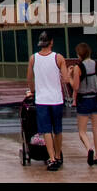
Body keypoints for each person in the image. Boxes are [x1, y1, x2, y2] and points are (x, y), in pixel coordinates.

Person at [27, 32, 67, 170]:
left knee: (46, 130)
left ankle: (51, 158)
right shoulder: (59, 57)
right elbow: (66, 79)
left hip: (42, 99)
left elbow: (29, 78)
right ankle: (58, 154)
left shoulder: (33, 58)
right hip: (56, 98)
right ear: (51, 42)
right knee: (58, 129)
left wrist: (33, 91)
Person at [70, 42, 97, 165]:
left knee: (82, 131)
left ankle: (89, 148)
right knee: (96, 128)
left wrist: (70, 77)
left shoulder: (78, 67)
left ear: (79, 54)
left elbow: (76, 87)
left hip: (84, 99)